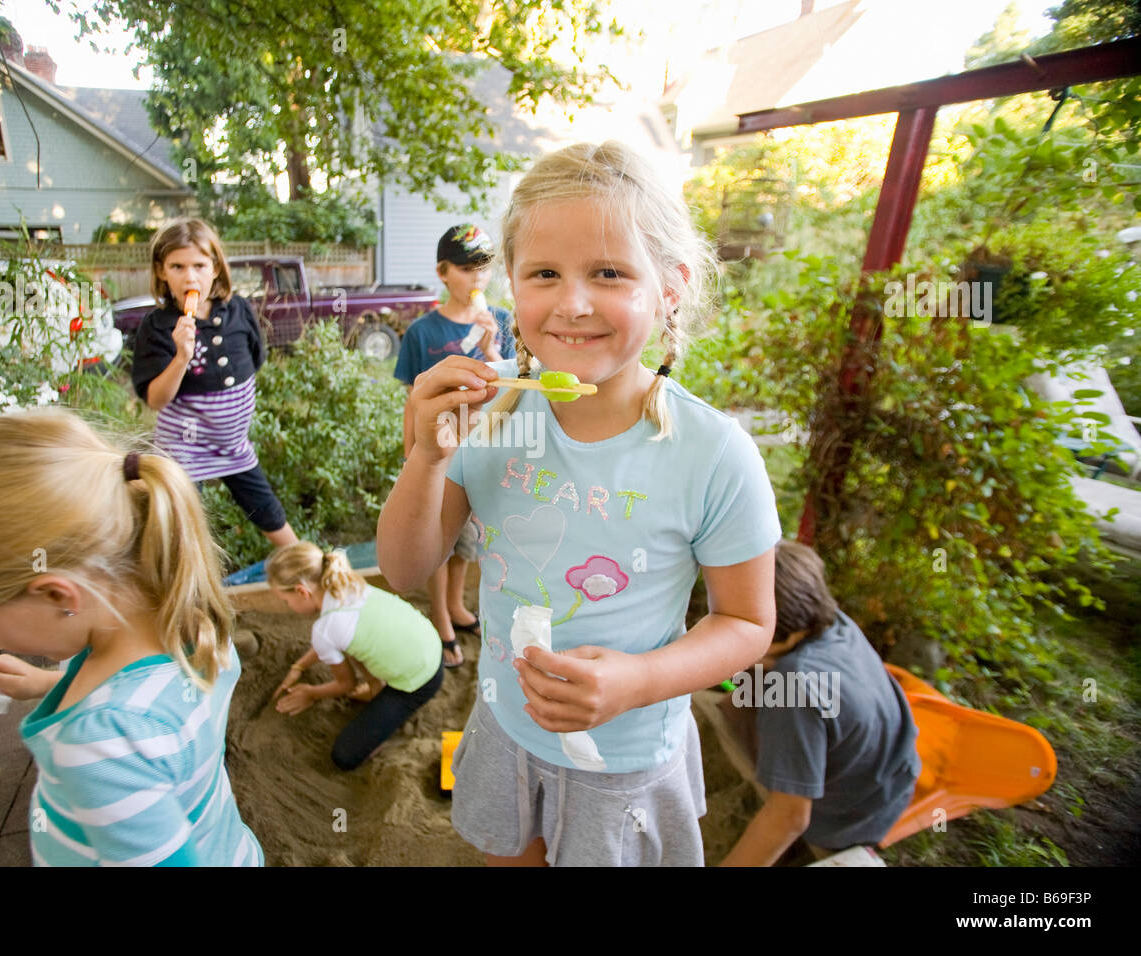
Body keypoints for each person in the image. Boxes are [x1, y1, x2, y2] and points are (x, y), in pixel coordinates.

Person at [377, 141, 782, 866]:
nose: (572, 303)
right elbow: (406, 570)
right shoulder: (490, 411)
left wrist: (639, 681)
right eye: (544, 274)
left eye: (608, 273)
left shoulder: (713, 455)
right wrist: (427, 457)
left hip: (623, 757)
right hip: (504, 724)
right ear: (512, 285)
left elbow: (747, 621)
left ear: (670, 288)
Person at [0, 408, 263, 866]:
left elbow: (123, 738)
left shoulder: (98, 744)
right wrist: (45, 686)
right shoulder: (192, 626)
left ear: (57, 593)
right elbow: (153, 713)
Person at [716, 540, 921, 866]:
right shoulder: (827, 619)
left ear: (769, 628)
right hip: (889, 785)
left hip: (842, 822)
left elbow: (789, 818)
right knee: (737, 694)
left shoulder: (793, 688)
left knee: (707, 714)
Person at [131, 217, 298, 549]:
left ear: (216, 269)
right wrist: (181, 356)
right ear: (162, 272)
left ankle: (309, 566)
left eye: (199, 265)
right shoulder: (158, 326)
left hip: (233, 445)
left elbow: (255, 358)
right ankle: (188, 588)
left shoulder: (237, 310)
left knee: (267, 511)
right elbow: (156, 400)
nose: (190, 276)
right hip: (183, 448)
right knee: (183, 527)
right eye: (177, 266)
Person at [394, 223, 515, 668]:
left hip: (485, 448)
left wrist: (491, 348)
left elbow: (507, 385)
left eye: (483, 269)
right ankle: (441, 618)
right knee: (439, 541)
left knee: (471, 541)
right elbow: (412, 399)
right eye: (466, 269)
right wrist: (411, 453)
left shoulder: (501, 321)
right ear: (443, 272)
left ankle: (459, 606)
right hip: (440, 453)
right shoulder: (423, 332)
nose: (477, 279)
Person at [266, 542, 444, 771]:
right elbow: (333, 638)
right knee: (356, 644)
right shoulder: (345, 583)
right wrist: (299, 666)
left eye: (285, 600)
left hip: (418, 682)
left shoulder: (325, 628)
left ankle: (380, 725)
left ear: (302, 591)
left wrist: (311, 693)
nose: (287, 605)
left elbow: (346, 684)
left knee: (344, 756)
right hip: (430, 646)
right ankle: (375, 688)